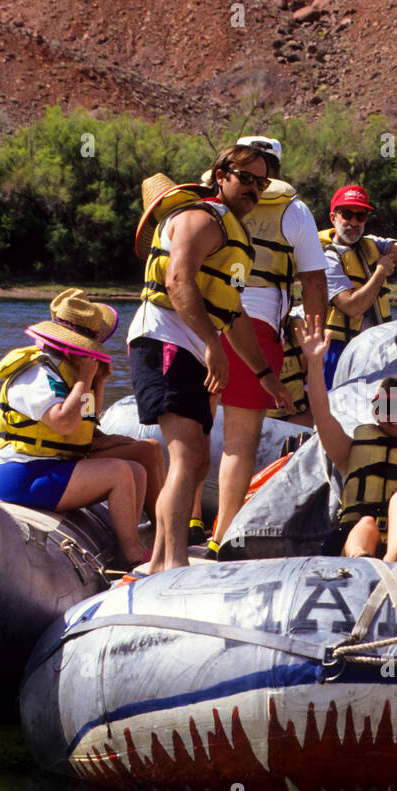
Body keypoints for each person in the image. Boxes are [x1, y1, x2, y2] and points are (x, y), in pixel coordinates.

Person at [128, 148, 294, 572]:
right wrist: (210, 344)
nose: (255, 189)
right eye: (246, 179)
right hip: (165, 341)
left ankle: (162, 561)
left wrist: (266, 377)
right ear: (221, 176)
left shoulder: (234, 235)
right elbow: (178, 279)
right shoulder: (202, 218)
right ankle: (172, 563)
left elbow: (232, 312)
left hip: (189, 347)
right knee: (187, 458)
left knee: (196, 458)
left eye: (262, 184)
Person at [200, 136, 328, 555]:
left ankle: (188, 520)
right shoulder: (294, 209)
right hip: (254, 327)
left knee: (195, 429)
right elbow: (312, 277)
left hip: (203, 321)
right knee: (240, 442)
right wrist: (314, 337)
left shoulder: (206, 198)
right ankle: (223, 536)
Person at [0, 290, 150, 568]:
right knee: (120, 472)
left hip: (50, 468)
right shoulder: (36, 374)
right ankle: (132, 555)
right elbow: (64, 422)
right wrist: (85, 378)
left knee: (135, 470)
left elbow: (87, 419)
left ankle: (126, 543)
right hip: (22, 475)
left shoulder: (63, 372)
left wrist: (97, 382)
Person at [297, 316, 397, 560]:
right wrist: (315, 363)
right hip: (357, 532)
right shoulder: (349, 451)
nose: (396, 416)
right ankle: (360, 559)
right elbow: (321, 413)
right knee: (366, 523)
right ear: (376, 408)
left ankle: (390, 563)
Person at [321, 180, 397, 388]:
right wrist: (380, 271)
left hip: (376, 350)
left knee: (380, 411)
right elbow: (353, 307)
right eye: (347, 214)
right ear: (333, 217)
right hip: (338, 350)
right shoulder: (327, 257)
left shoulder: (373, 244)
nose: (354, 222)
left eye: (360, 216)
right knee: (337, 412)